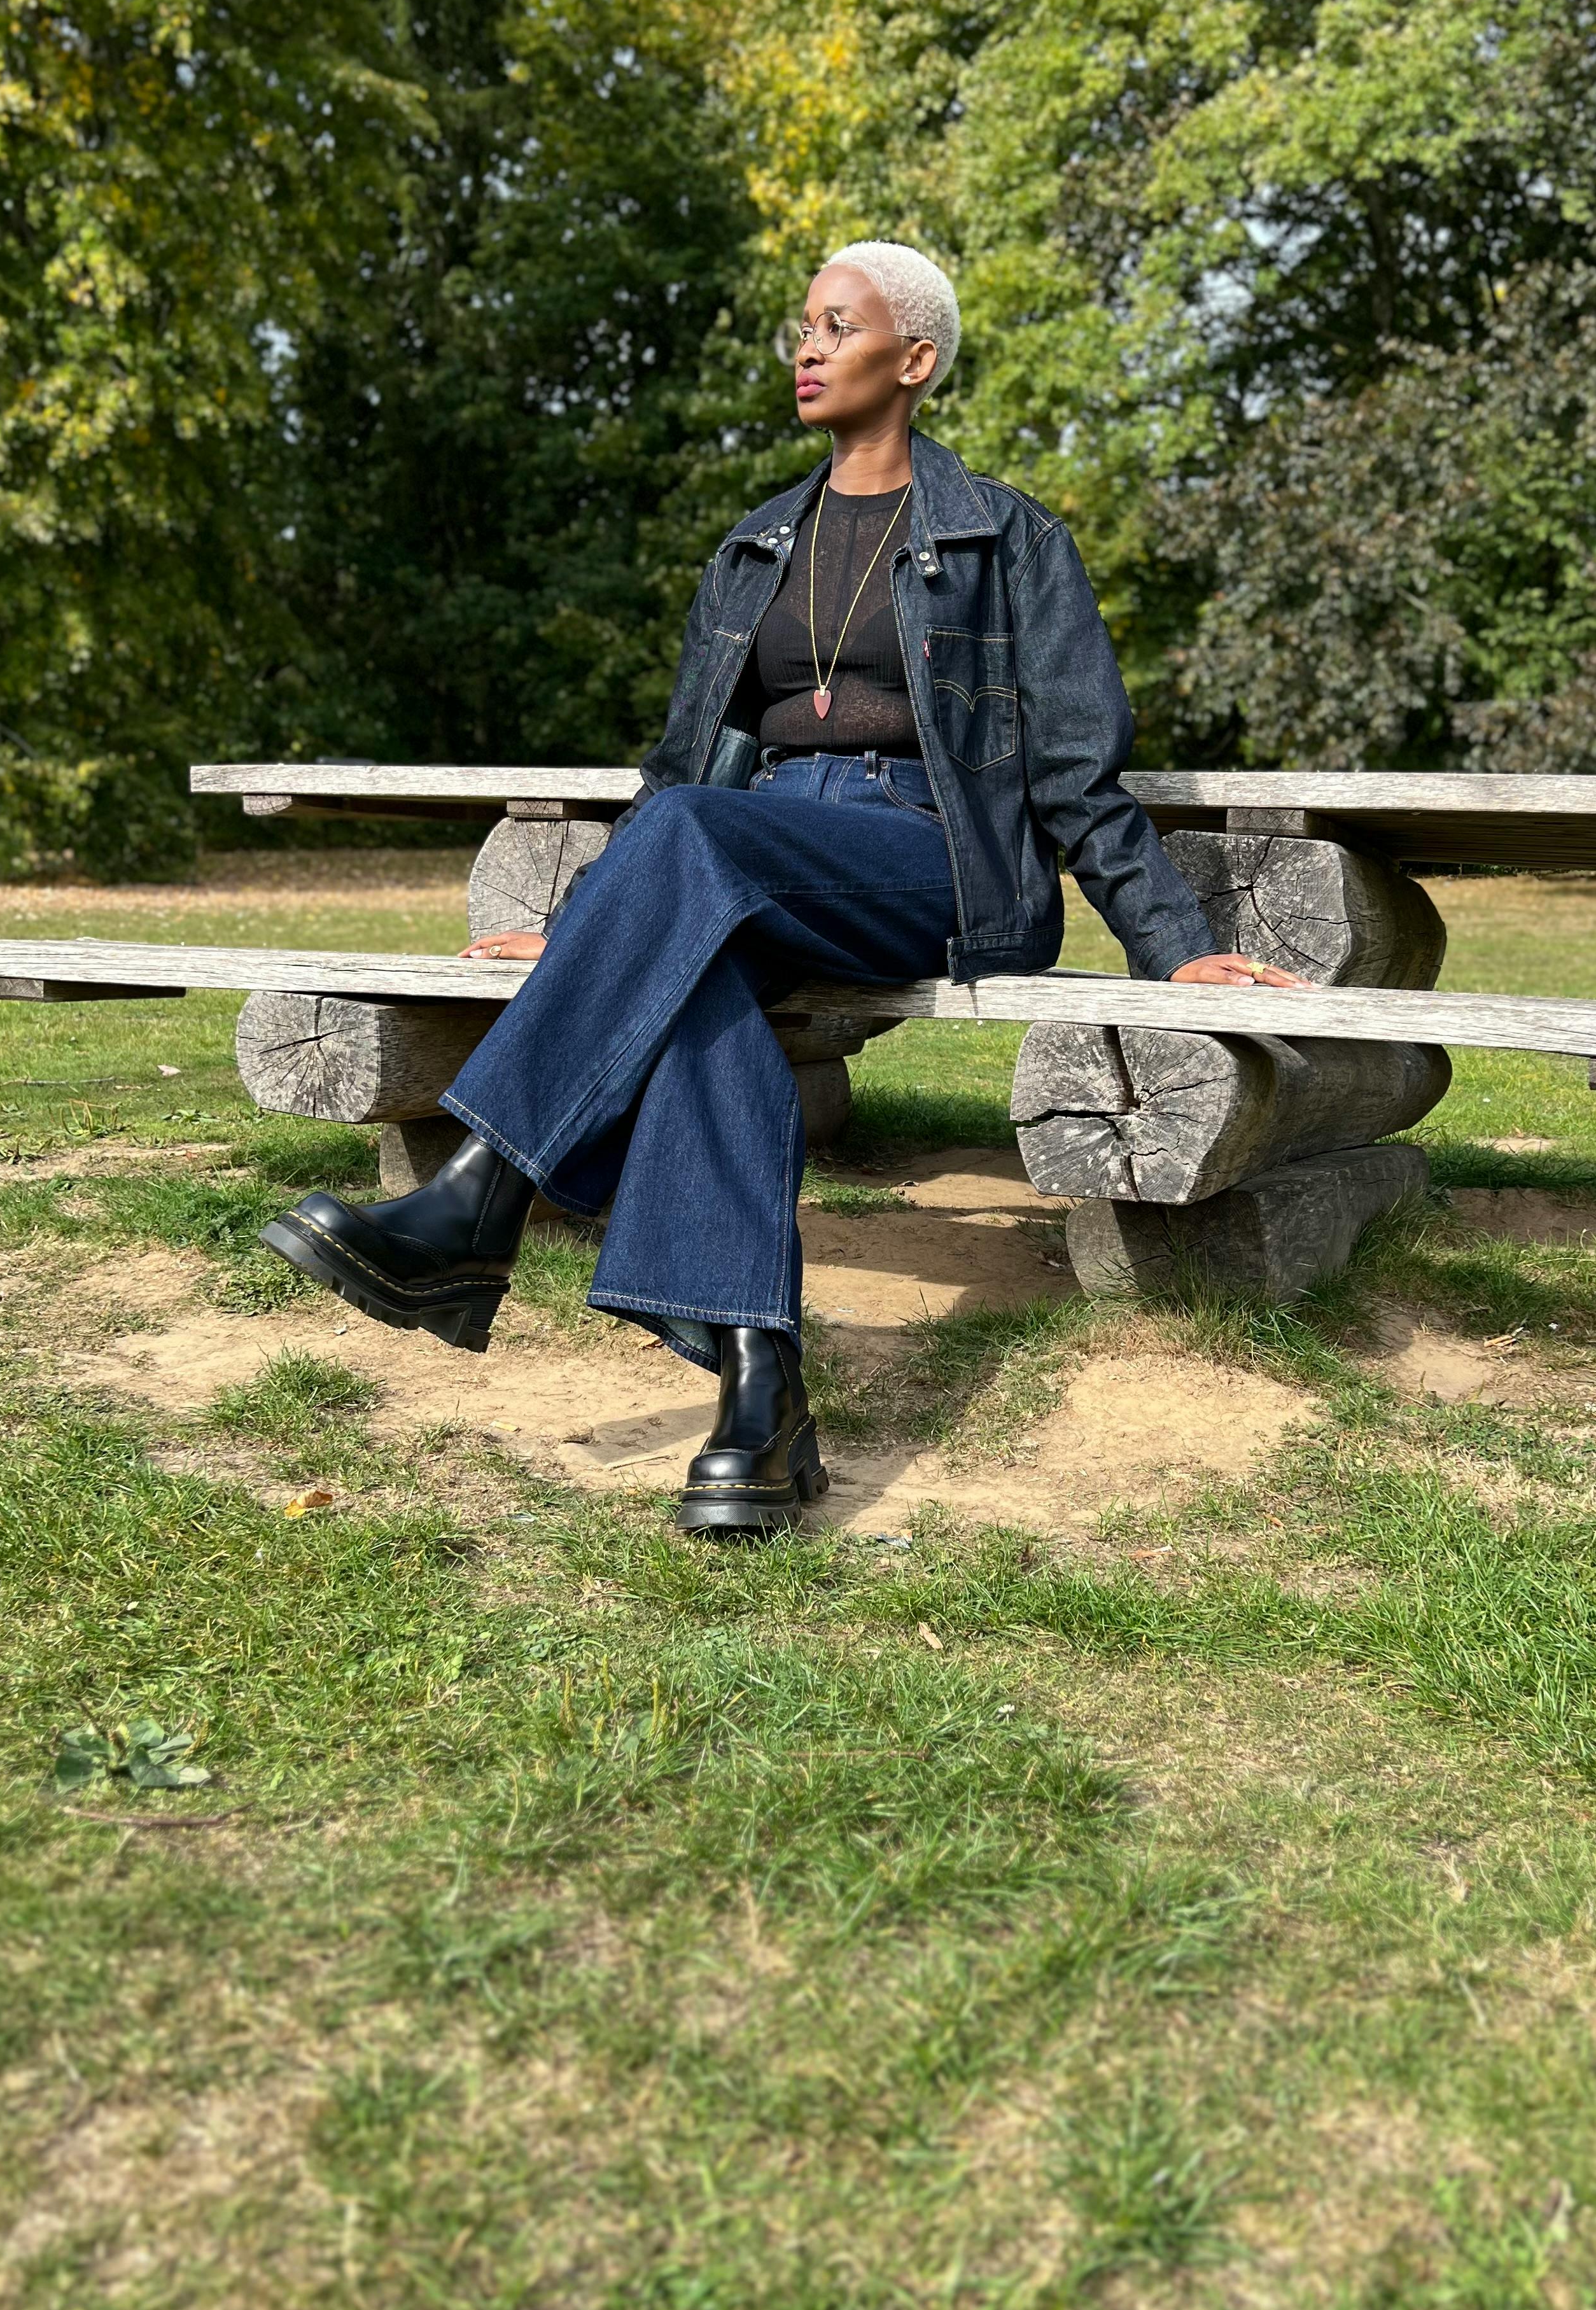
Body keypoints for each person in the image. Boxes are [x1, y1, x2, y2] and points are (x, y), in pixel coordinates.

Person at [261, 240, 1306, 1532]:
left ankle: (480, 1199)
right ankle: (763, 1398)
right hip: (748, 858)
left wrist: (1172, 946)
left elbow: (1081, 773)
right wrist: (600, 923)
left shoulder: (1008, 539)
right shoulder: (757, 546)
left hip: (935, 858)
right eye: (801, 327)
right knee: (699, 992)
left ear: (912, 360)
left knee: (702, 843)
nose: (807, 348)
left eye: (839, 326)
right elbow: (681, 771)